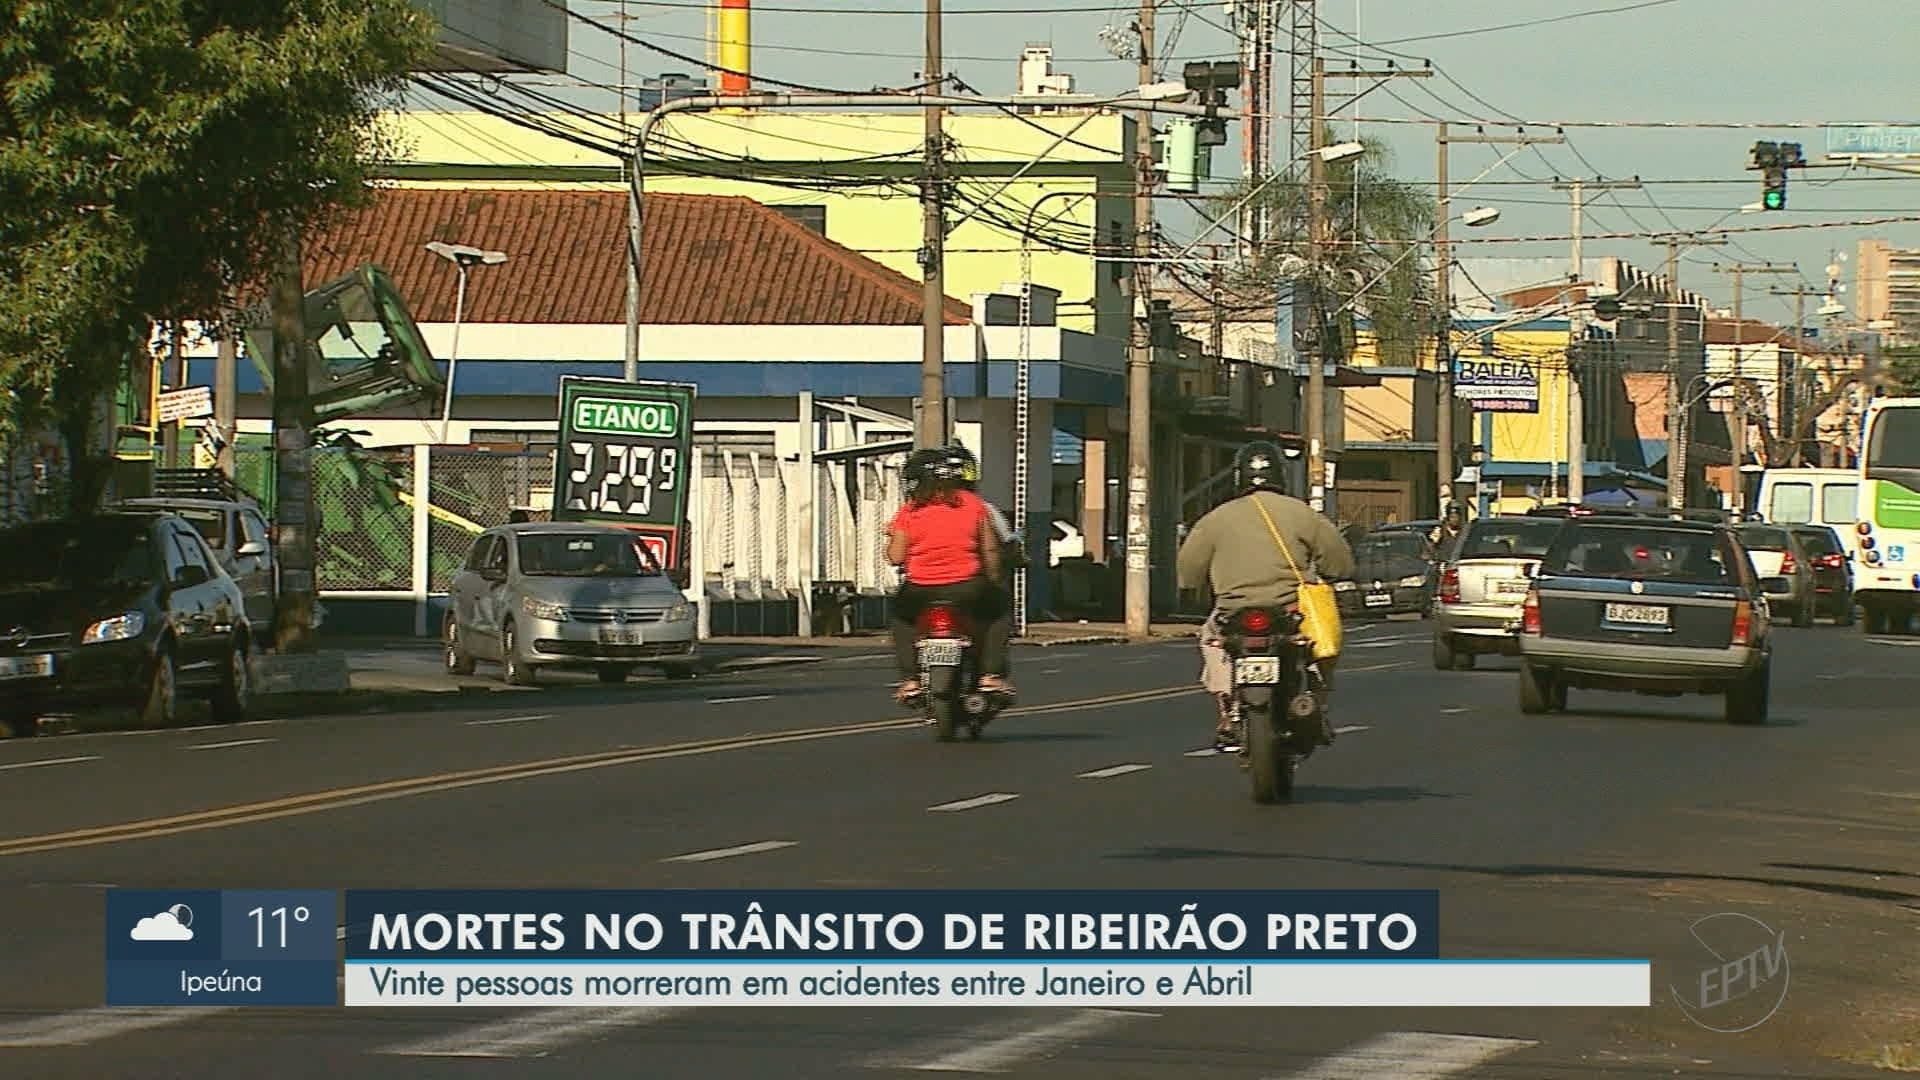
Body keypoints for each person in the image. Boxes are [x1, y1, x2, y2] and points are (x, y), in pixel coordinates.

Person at [1176, 441, 1355, 752]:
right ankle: (1318, 701)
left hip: (1233, 610)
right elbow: (1339, 561)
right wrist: (1332, 573)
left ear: (1238, 476)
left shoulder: (1215, 518)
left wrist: (1194, 587)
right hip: (1290, 608)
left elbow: (1188, 571)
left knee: (1212, 640)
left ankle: (1227, 709)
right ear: (1281, 475)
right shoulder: (1302, 513)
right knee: (1322, 642)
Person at [886, 447, 1012, 704]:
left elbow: (895, 557)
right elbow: (990, 549)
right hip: (968, 586)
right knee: (999, 612)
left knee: (901, 620)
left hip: (919, 589)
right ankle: (990, 675)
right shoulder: (973, 505)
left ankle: (910, 680)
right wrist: (994, 578)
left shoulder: (908, 511)